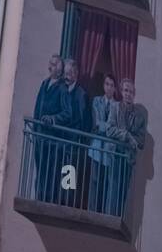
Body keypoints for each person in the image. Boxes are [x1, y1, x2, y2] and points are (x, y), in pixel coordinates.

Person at [39, 58, 91, 208]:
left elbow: (83, 121)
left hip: (72, 143)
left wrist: (77, 139)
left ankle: (69, 204)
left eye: (69, 73)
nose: (67, 77)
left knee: (69, 177)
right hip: (59, 141)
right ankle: (55, 201)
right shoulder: (60, 89)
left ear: (75, 74)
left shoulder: (81, 94)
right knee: (56, 173)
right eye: (65, 73)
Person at [108, 78, 147, 215]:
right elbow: (110, 130)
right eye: (125, 90)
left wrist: (133, 140)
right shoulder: (115, 108)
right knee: (113, 190)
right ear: (121, 91)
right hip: (115, 155)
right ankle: (110, 217)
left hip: (129, 159)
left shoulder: (139, 115)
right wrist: (127, 136)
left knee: (123, 192)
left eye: (131, 92)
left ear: (134, 94)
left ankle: (118, 217)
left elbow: (141, 141)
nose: (128, 94)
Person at [31, 56, 65, 202]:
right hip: (40, 135)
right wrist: (34, 128)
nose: (50, 67)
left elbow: (65, 112)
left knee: (50, 169)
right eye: (50, 63)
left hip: (52, 137)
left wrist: (53, 119)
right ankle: (39, 196)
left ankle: (47, 198)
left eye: (53, 64)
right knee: (40, 167)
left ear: (59, 68)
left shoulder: (62, 87)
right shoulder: (44, 83)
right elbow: (37, 107)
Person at [88, 75, 120, 214]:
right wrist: (108, 128)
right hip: (96, 145)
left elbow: (114, 128)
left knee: (106, 182)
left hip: (109, 148)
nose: (109, 87)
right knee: (94, 179)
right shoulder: (97, 101)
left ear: (115, 88)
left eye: (112, 85)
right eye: (107, 84)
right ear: (103, 85)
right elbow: (96, 122)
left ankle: (103, 212)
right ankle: (91, 210)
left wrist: (106, 128)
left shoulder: (117, 106)